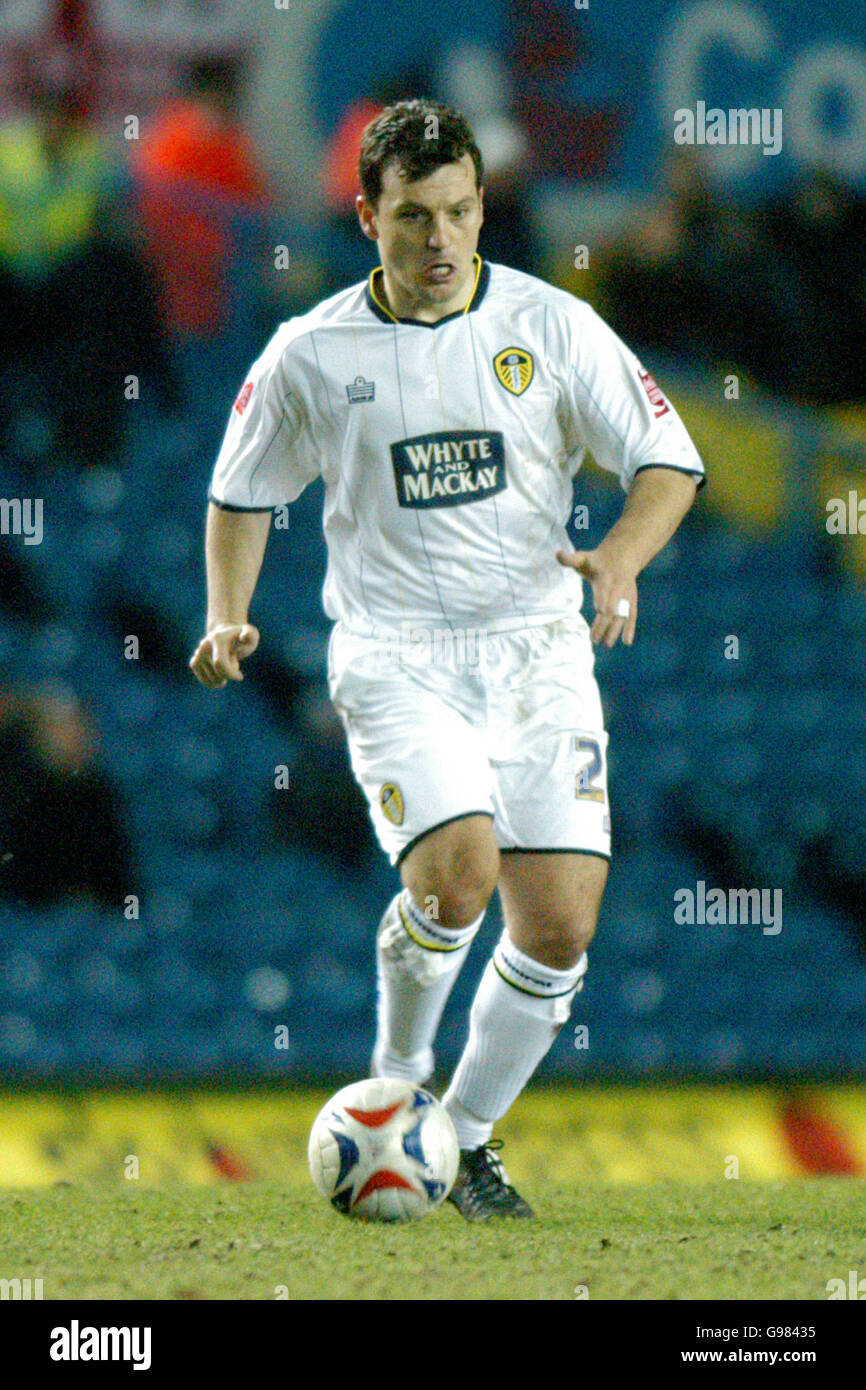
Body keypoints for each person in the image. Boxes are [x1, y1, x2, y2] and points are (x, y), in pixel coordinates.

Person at [189, 100, 705, 1220]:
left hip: (536, 650)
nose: (441, 239)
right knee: (457, 875)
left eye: (460, 212)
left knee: (559, 925)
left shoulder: (552, 325)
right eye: (414, 216)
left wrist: (620, 558)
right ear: (366, 217)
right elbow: (239, 492)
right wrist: (227, 612)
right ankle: (397, 1078)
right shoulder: (309, 352)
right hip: (396, 655)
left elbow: (667, 458)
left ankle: (460, 1142)